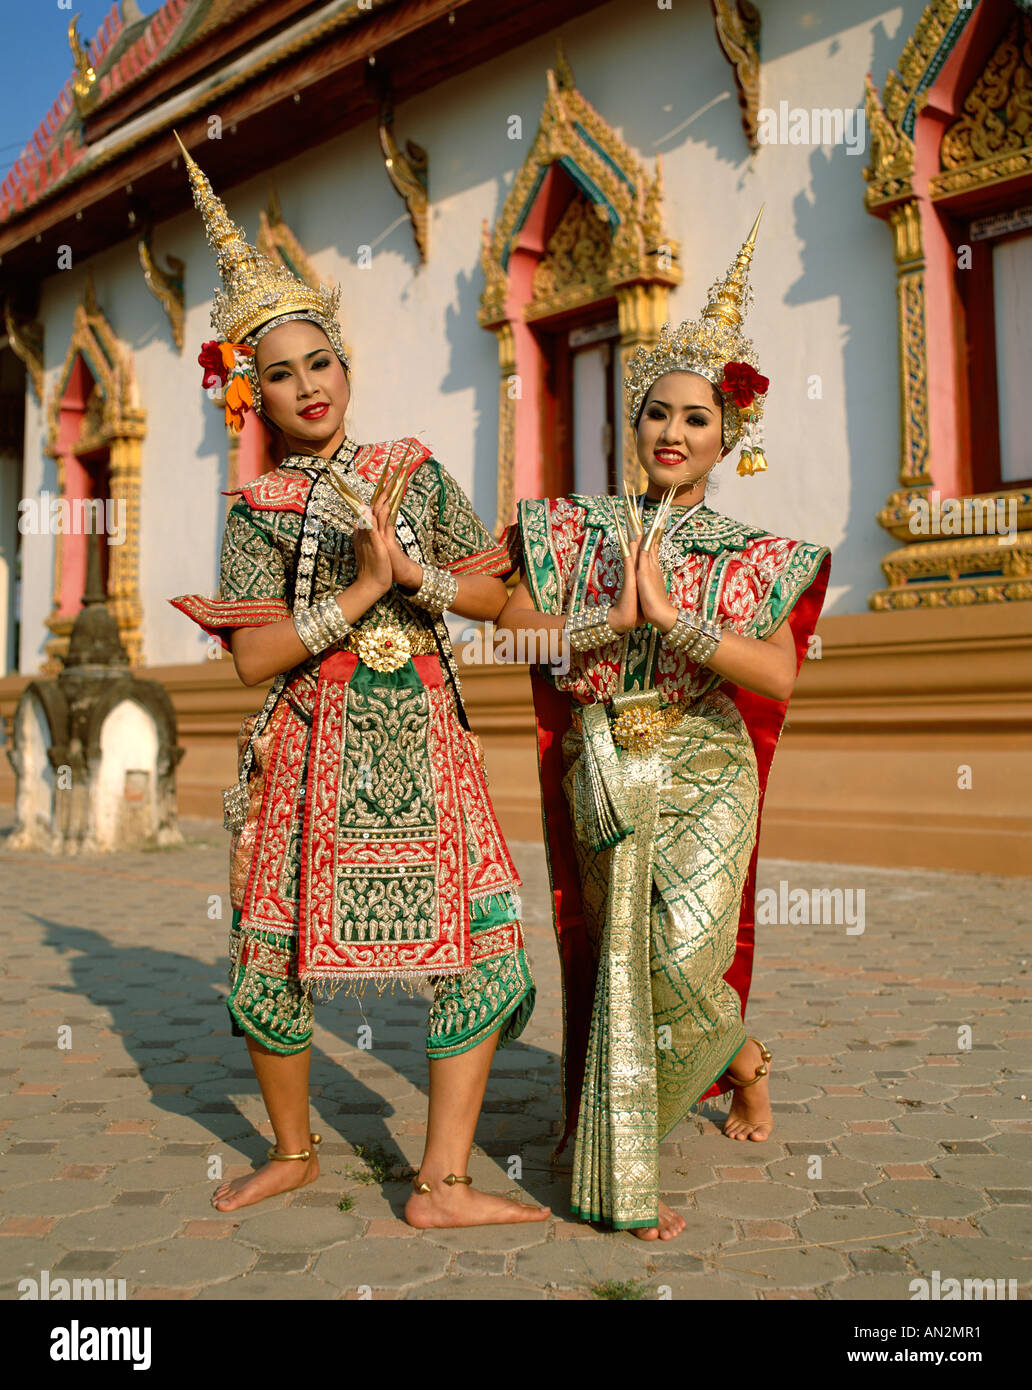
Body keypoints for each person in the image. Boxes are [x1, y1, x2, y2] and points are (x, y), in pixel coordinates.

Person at [168, 134, 546, 1228]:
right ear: (254, 395)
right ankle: (293, 1149)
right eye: (278, 374)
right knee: (269, 958)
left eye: (318, 362)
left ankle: (441, 1181)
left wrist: (415, 572)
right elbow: (251, 659)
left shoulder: (413, 470)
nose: (306, 387)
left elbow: (508, 601)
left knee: (479, 947)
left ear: (345, 362)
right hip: (309, 740)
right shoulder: (256, 511)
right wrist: (357, 590)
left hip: (425, 732)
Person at [487, 211, 831, 1239]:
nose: (673, 432)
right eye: (656, 415)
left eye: (696, 418)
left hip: (707, 754)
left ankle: (742, 1063)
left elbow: (779, 673)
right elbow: (510, 632)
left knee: (686, 952)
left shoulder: (751, 549)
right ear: (630, 428)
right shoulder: (575, 530)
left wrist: (677, 622)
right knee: (624, 962)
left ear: (730, 437)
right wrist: (612, 615)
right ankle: (627, 1176)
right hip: (605, 750)